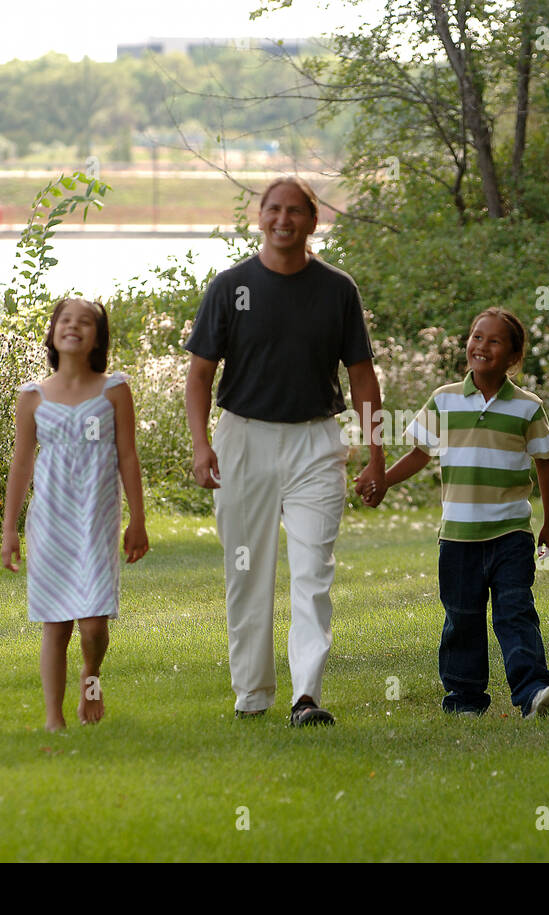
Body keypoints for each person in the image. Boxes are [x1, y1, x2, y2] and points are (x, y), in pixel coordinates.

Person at [185, 176, 385, 726]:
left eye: (296, 211)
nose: (284, 219)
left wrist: (375, 455)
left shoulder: (337, 289)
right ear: (260, 217)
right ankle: (252, 693)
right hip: (243, 440)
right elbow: (200, 373)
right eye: (274, 209)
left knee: (313, 570)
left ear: (312, 220)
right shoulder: (230, 287)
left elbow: (363, 377)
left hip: (316, 443)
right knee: (247, 571)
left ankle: (306, 697)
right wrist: (201, 444)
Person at [369, 306, 549, 718]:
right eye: (477, 337)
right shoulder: (444, 400)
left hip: (511, 533)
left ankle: (534, 691)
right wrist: (383, 480)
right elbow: (421, 452)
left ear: (513, 356)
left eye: (494, 340)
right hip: (457, 537)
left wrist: (548, 521)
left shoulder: (527, 408)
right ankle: (464, 700)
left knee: (515, 612)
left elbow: (544, 462)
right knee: (462, 619)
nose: (482, 346)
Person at [2, 297, 149, 732]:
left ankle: (91, 675)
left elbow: (128, 456)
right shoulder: (32, 397)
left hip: (96, 517)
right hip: (50, 520)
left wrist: (137, 519)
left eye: (85, 323)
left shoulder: (114, 390)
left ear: (97, 338)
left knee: (92, 623)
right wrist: (9, 529)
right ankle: (53, 719)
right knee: (56, 622)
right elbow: (22, 464)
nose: (74, 327)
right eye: (65, 320)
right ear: (52, 332)